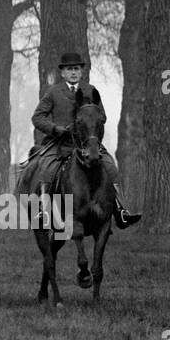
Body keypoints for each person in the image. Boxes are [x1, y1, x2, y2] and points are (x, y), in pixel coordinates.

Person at [27, 51, 141, 228]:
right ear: (63, 73)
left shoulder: (91, 91)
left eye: (76, 69)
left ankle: (120, 210)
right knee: (47, 169)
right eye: (69, 69)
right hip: (60, 143)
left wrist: (91, 125)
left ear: (81, 72)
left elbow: (102, 116)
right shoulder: (53, 92)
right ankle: (44, 211)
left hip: (88, 143)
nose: (73, 72)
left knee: (111, 167)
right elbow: (37, 118)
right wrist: (56, 129)